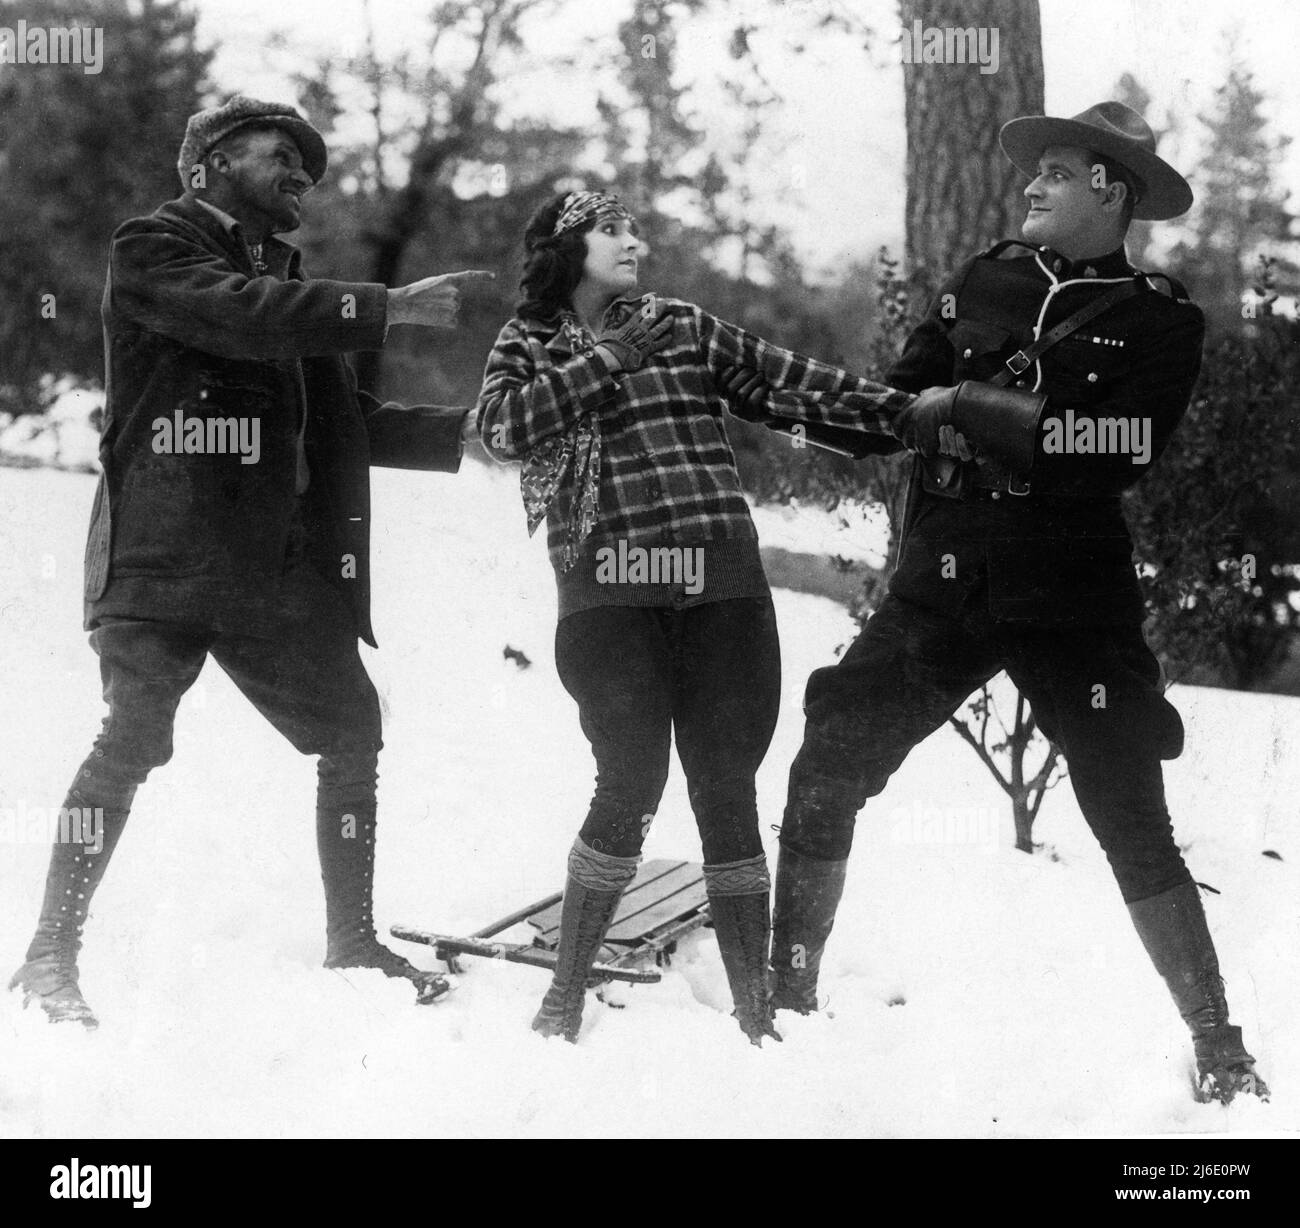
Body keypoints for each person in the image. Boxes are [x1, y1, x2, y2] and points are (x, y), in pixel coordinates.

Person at [765, 102, 1268, 1103]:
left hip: (1070, 594)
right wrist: (768, 395)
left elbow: (1115, 446)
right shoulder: (982, 281)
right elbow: (892, 404)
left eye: (1054, 172)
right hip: (944, 581)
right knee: (831, 755)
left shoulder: (1160, 320)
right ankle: (783, 1002)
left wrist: (969, 409)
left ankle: (1218, 1045)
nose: (1030, 186)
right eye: (1030, 172)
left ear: (1109, 191)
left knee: (1130, 812)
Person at [9, 96, 493, 1027]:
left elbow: (347, 417)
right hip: (166, 556)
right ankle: (47, 956)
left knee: (351, 728)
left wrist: (468, 433)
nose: (300, 174)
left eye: (307, 163)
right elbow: (243, 318)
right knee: (131, 741)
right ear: (206, 169)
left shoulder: (287, 283)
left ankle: (352, 943)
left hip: (270, 569)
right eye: (279, 154)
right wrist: (382, 307)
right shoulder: (151, 248)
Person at [476, 189, 913, 1044]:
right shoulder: (525, 341)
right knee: (629, 778)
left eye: (634, 226)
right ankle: (563, 998)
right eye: (611, 228)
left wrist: (907, 413)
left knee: (726, 789)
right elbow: (500, 431)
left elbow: (787, 378)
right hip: (608, 592)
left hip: (723, 589)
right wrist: (605, 359)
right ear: (567, 249)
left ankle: (755, 1013)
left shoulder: (682, 323)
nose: (633, 239)